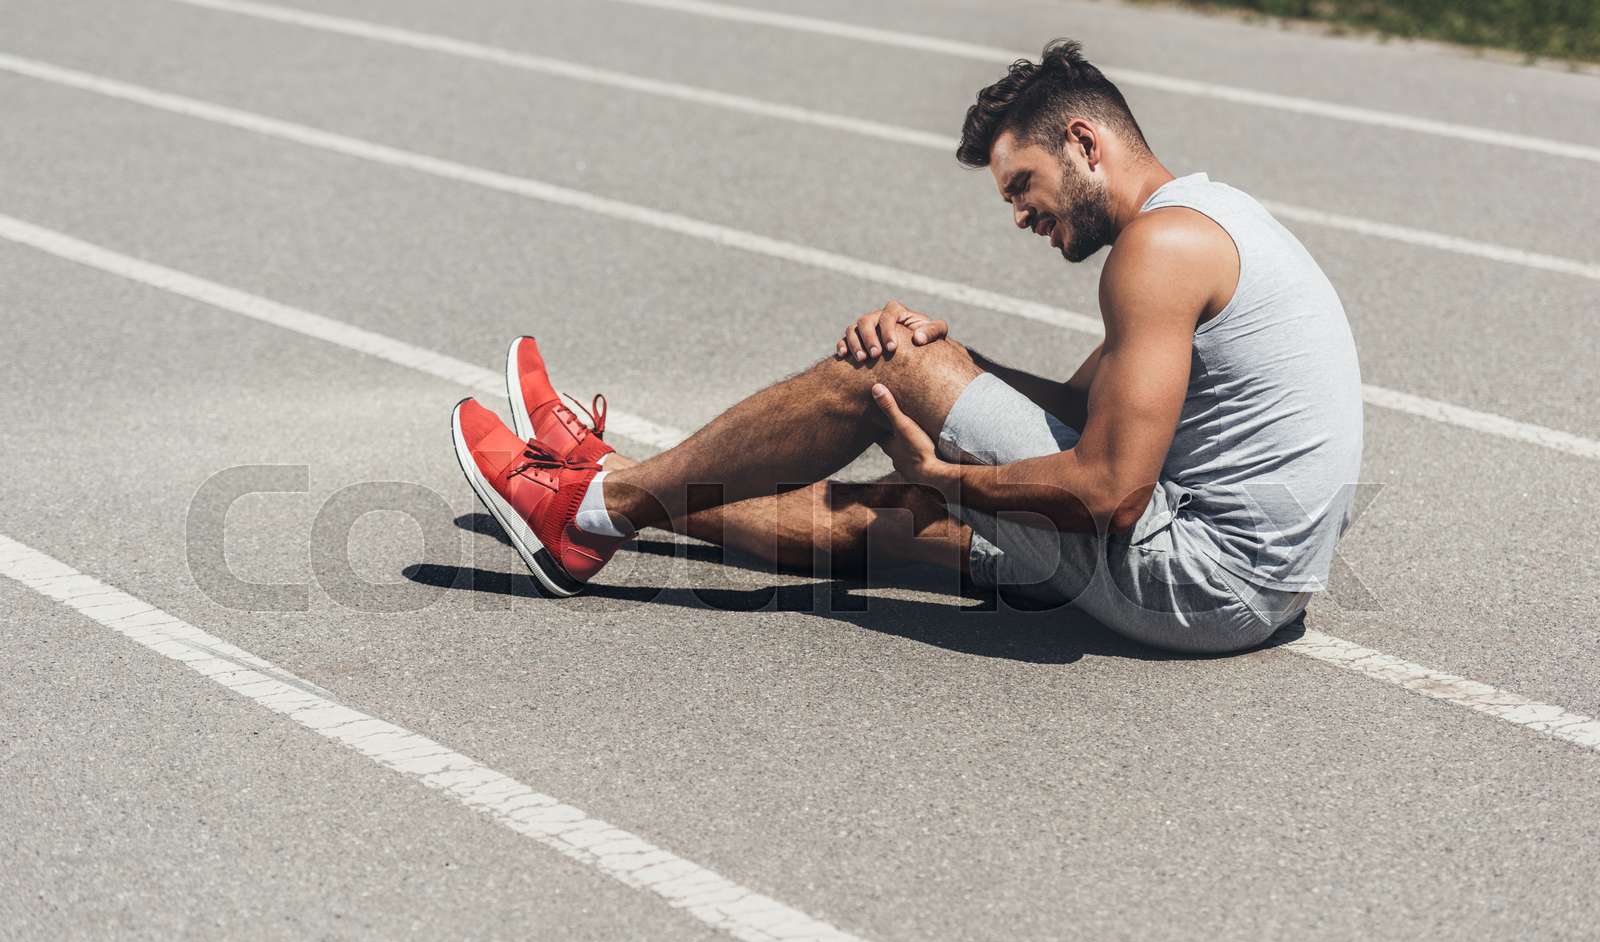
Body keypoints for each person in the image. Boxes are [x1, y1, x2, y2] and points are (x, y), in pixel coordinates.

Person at [450, 39, 1363, 654]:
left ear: (1085, 142)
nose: (1019, 215)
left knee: (891, 383)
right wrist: (951, 362)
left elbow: (1110, 493)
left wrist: (947, 462)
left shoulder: (1158, 252)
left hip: (1195, 580)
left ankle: (585, 508)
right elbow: (1087, 412)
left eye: (1023, 184)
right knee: (885, 515)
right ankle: (609, 491)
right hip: (1256, 588)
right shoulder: (1210, 219)